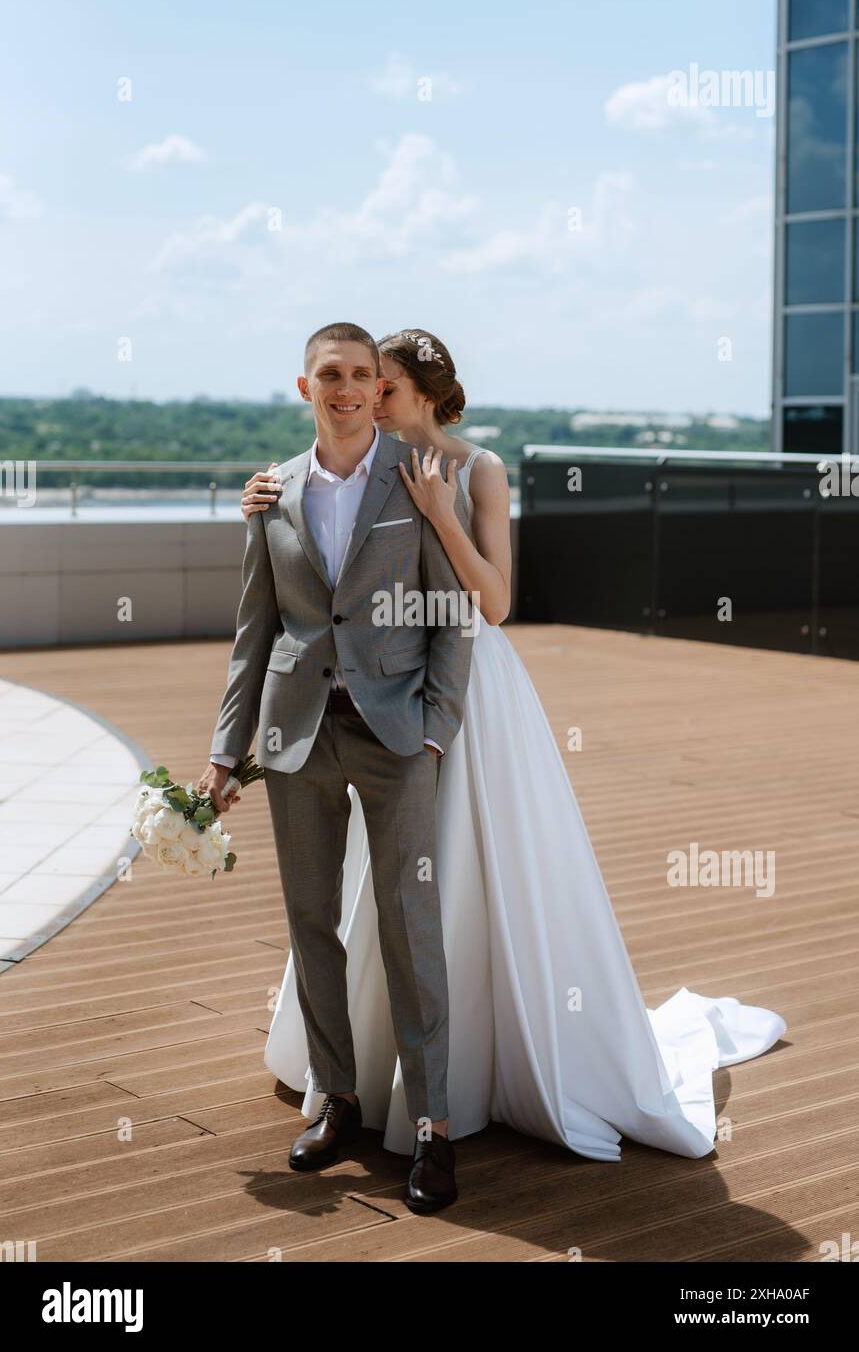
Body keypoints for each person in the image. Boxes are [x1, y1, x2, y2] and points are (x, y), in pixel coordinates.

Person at [240, 327, 788, 1165]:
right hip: (379, 693)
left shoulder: (475, 469)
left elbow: (491, 603)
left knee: (465, 880)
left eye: (380, 385)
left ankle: (477, 1078)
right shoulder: (358, 466)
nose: (363, 399)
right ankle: (366, 1075)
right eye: (351, 383)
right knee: (386, 892)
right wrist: (263, 494)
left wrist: (436, 514)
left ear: (417, 392)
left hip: (465, 684)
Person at [197, 322, 475, 1214]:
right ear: (304, 385)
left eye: (362, 375)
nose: (348, 388)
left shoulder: (416, 479)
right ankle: (336, 1099)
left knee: (409, 924)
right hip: (296, 738)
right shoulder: (271, 493)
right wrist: (223, 753)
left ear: (377, 388)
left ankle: (431, 1124)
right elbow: (254, 636)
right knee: (311, 918)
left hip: (398, 737)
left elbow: (452, 615)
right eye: (331, 375)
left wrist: (436, 728)